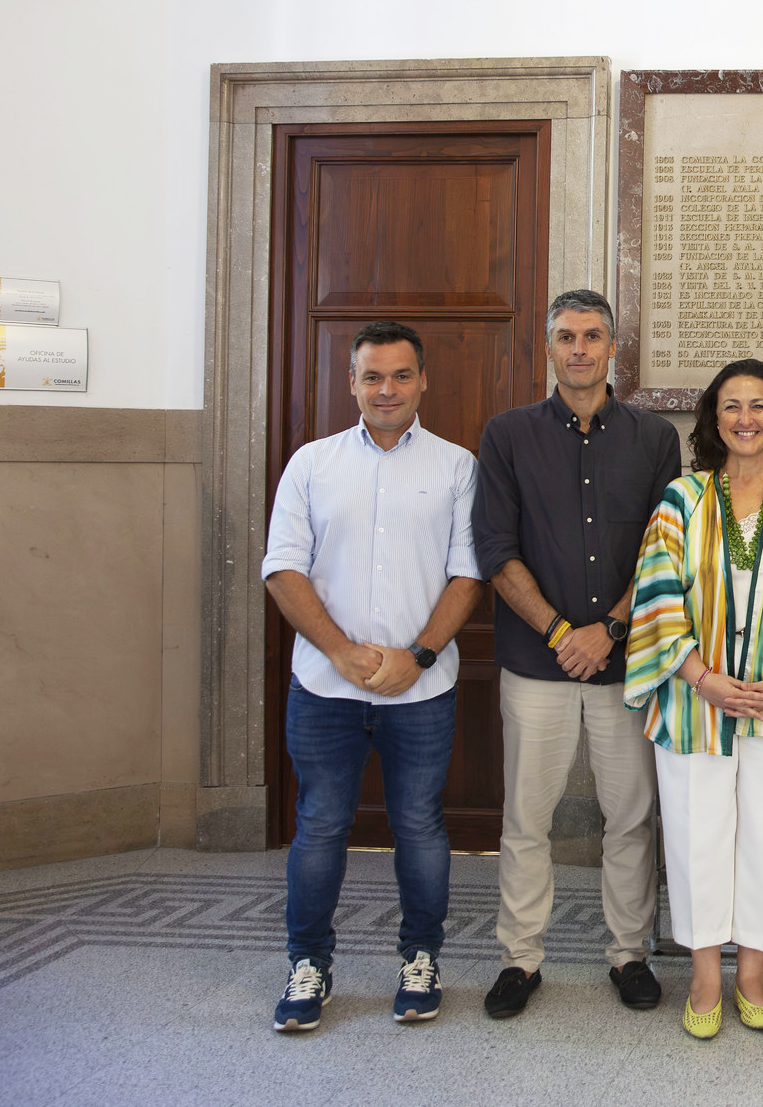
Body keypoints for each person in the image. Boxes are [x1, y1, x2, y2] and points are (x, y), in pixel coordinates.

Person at [261, 321, 483, 1032]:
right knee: (321, 822)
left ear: (423, 381)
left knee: (419, 824)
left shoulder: (456, 466)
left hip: (421, 689)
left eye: (400, 375)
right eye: (372, 376)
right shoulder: (311, 464)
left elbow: (468, 571)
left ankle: (421, 957)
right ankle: (309, 963)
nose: (386, 389)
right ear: (351, 382)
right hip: (324, 688)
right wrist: (343, 652)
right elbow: (282, 568)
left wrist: (414, 655)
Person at [472, 289, 682, 1019]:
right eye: (567, 335)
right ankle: (520, 960)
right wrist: (564, 633)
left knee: (630, 818)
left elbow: (665, 552)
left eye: (594, 335)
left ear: (613, 345)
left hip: (627, 666)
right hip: (538, 666)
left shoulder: (655, 438)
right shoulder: (506, 435)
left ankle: (629, 953)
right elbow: (495, 550)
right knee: (526, 819)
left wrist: (611, 630)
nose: (581, 348)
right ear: (549, 346)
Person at [626, 359, 763, 1039]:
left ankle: (751, 969)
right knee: (696, 838)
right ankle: (703, 975)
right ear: (712, 418)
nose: (745, 418)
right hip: (697, 702)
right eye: (732, 406)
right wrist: (701, 676)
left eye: (758, 405)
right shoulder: (681, 499)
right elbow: (656, 595)